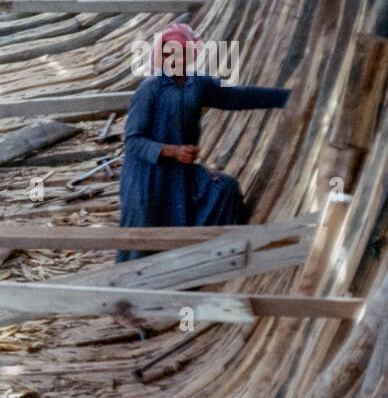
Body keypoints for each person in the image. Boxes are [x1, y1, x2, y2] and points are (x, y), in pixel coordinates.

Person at [117, 23, 290, 265]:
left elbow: (237, 96)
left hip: (179, 173)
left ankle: (206, 262)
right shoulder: (150, 89)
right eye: (168, 52)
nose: (173, 57)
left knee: (224, 189)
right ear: (159, 54)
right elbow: (134, 141)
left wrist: (286, 98)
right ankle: (133, 287)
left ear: (190, 54)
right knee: (144, 235)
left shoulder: (196, 84)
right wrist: (172, 151)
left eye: (180, 52)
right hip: (147, 177)